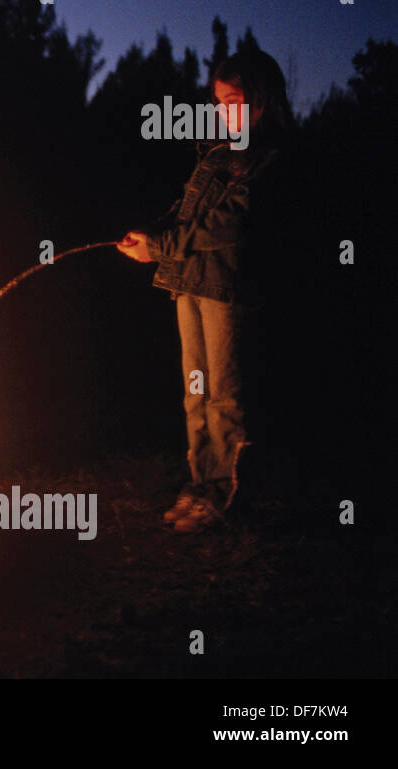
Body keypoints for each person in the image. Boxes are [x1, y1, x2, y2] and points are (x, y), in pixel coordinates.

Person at [117, 49, 289, 533]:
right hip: (188, 281)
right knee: (196, 392)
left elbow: (229, 224)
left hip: (225, 287)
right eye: (216, 101)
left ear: (260, 100)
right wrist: (150, 236)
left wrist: (162, 246)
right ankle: (202, 483)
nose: (220, 111)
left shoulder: (267, 156)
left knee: (225, 397)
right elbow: (187, 214)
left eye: (231, 100)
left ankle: (228, 494)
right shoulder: (215, 153)